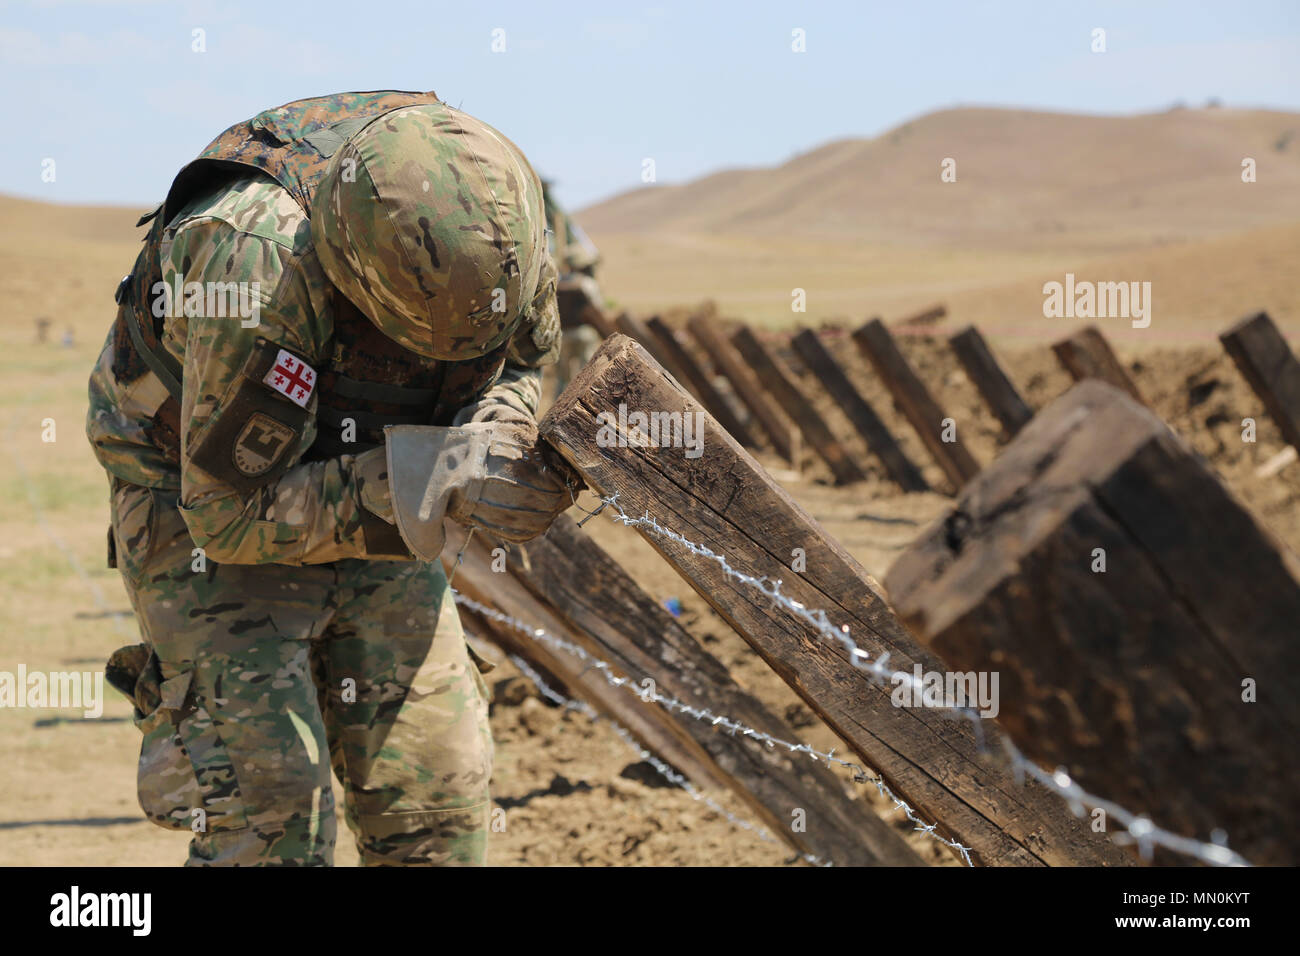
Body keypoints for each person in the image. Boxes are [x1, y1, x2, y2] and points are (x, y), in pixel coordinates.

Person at [86, 90, 572, 866]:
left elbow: (519, 362)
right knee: (269, 816)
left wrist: (498, 437)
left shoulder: (504, 230)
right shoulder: (255, 261)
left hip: (391, 477)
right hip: (202, 502)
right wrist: (438, 474)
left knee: (437, 797)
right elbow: (229, 514)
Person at [542, 181, 605, 397]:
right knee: (588, 373)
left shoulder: (558, 282)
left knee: (562, 377)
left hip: (564, 336)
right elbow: (598, 308)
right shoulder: (587, 284)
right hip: (585, 334)